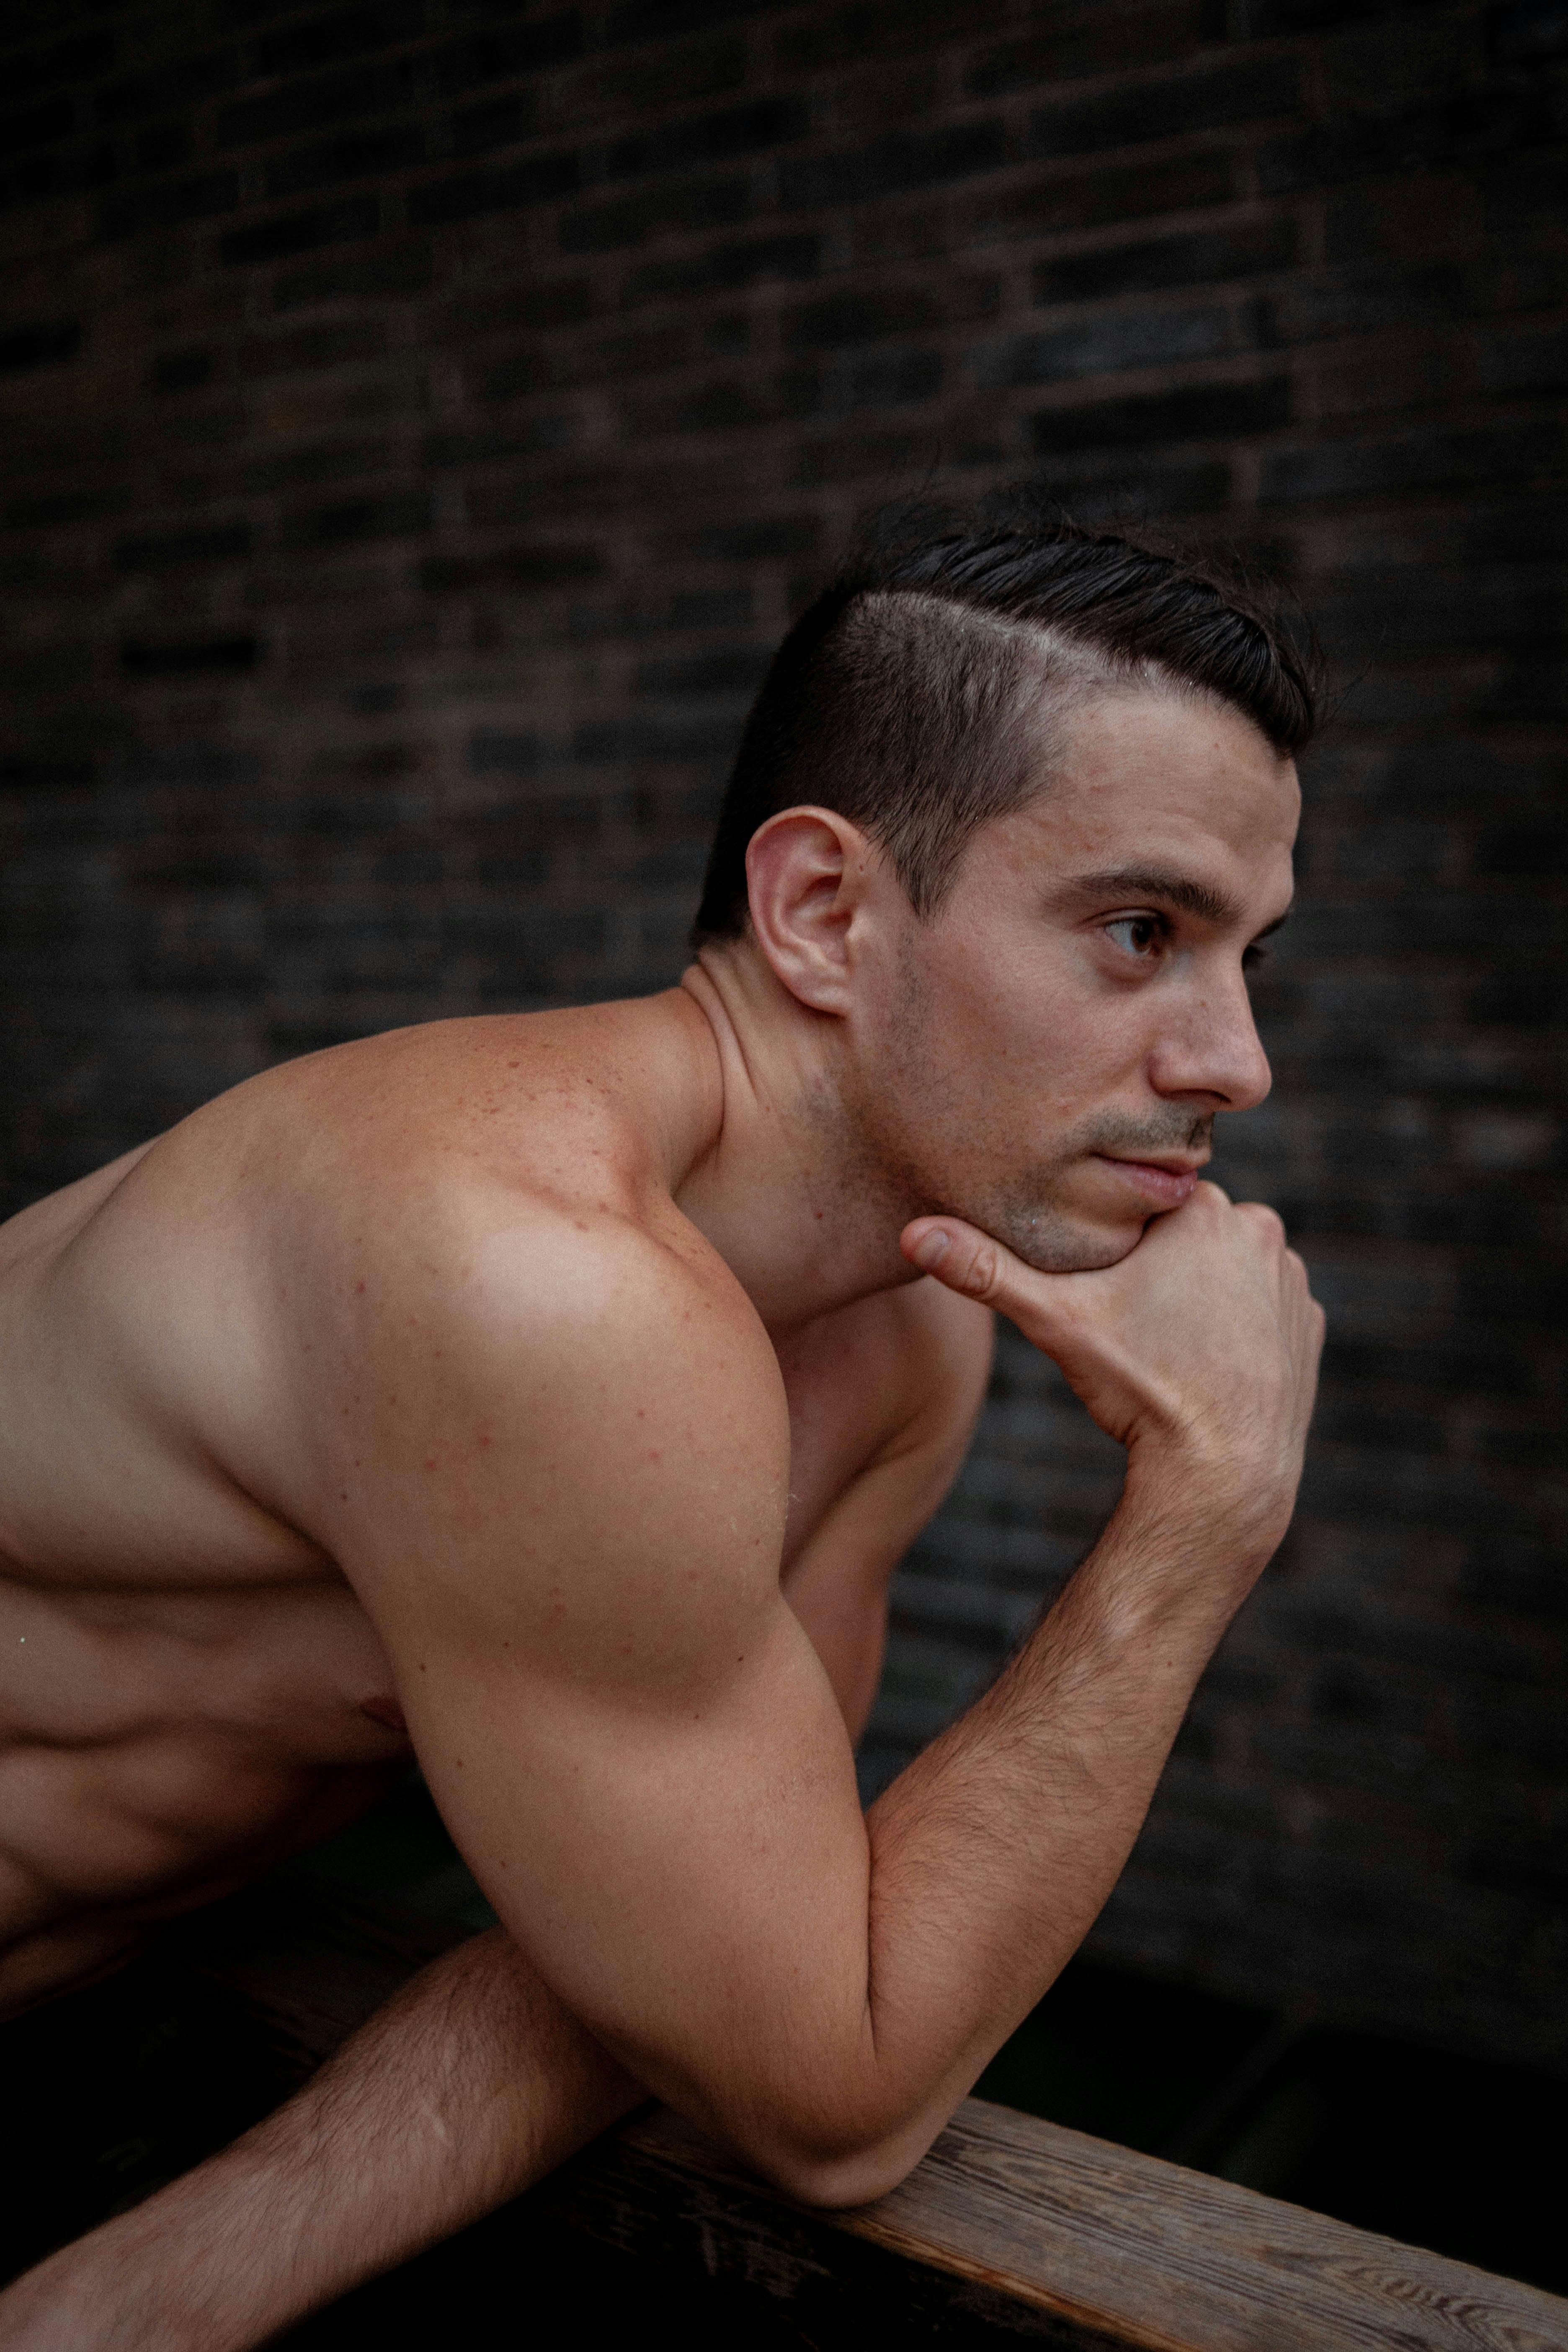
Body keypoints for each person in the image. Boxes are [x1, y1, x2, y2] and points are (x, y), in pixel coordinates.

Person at [0, 504, 1325, 2349]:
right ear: (824, 912)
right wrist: (1208, 1510)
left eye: (1246, 952)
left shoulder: (900, 1342)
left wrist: (145, 2291)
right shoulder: (528, 1272)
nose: (1234, 1061)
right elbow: (837, 2098)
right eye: (1140, 930)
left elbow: (753, 1973)